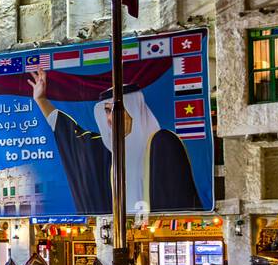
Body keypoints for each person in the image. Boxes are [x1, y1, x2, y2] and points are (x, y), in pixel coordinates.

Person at [28, 67, 202, 215]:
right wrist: (41, 101)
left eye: (117, 110)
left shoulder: (162, 143)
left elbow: (178, 198)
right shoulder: (106, 152)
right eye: (107, 111)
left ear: (134, 110)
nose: (111, 117)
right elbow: (70, 135)